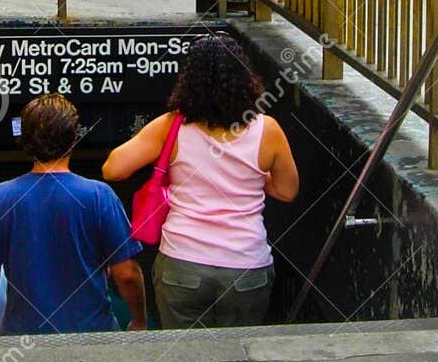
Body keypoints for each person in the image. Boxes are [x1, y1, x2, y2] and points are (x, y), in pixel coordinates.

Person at [102, 37, 299, 329]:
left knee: (186, 358)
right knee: (239, 357)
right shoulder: (267, 130)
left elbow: (113, 169)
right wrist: (253, 176)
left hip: (183, 263)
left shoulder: (172, 126)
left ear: (189, 80)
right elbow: (286, 190)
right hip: (246, 266)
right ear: (244, 77)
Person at [0, 94, 146, 337]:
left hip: (22, 337)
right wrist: (139, 323)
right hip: (93, 335)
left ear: (25, 139)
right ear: (73, 138)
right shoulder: (100, 196)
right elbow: (126, 274)